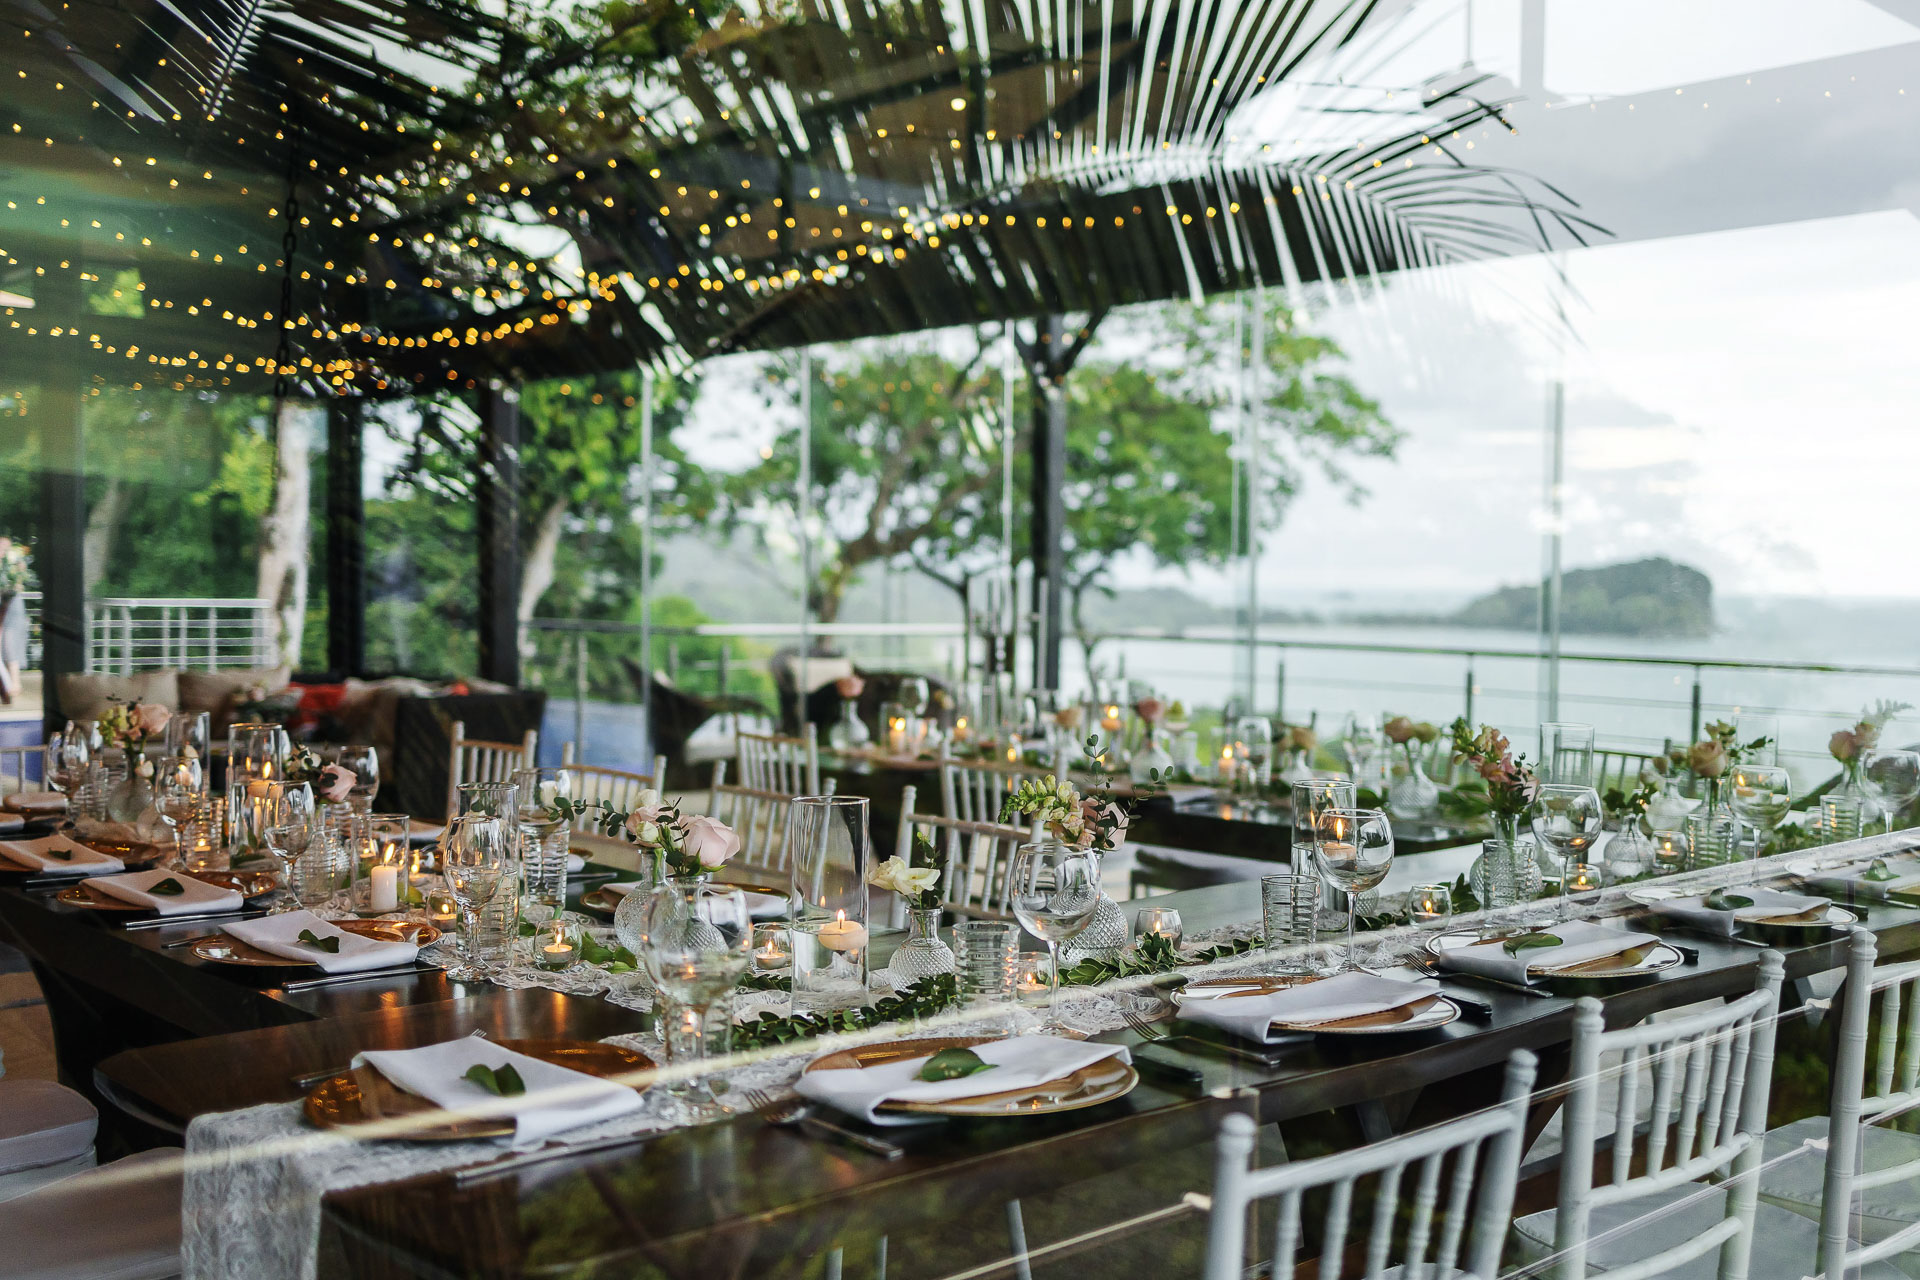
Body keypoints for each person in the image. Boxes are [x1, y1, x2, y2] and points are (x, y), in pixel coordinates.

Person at [0, 536, 25, 704]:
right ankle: (9, 685)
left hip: (10, 606)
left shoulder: (14, 564)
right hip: (5, 605)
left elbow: (18, 583)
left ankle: (13, 684)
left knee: (10, 645)